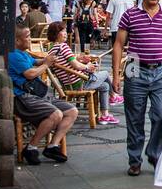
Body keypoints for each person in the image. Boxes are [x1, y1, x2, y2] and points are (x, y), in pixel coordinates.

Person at [113, 0, 162, 176]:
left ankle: (154, 152)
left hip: (161, 71)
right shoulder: (129, 15)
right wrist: (116, 75)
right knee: (135, 119)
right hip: (134, 68)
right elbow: (118, 45)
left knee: (161, 115)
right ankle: (135, 160)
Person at [7, 23, 77, 164]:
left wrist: (46, 60)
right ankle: (31, 148)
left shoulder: (23, 53)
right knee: (56, 114)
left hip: (38, 95)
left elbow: (35, 61)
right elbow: (30, 74)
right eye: (27, 36)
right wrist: (47, 64)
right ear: (17, 40)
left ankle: (53, 146)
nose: (30, 39)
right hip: (23, 98)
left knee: (72, 111)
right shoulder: (13, 55)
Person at [45, 21, 119, 126]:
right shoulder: (63, 47)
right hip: (80, 82)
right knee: (106, 73)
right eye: (62, 31)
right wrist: (87, 67)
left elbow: (69, 63)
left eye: (65, 31)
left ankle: (104, 115)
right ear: (55, 34)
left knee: (105, 86)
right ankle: (114, 96)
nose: (65, 33)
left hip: (68, 84)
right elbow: (77, 66)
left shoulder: (52, 50)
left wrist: (79, 60)